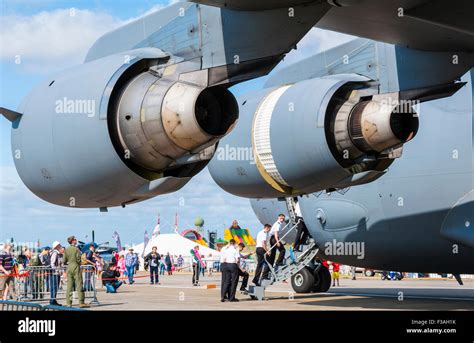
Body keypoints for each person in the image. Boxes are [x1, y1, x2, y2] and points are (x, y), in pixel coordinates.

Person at [63, 236, 89, 308]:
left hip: (69, 267)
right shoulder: (76, 249)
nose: (76, 240)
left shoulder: (66, 250)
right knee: (79, 284)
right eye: (75, 239)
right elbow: (78, 260)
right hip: (76, 267)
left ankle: (69, 303)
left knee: (69, 286)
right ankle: (81, 302)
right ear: (72, 241)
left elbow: (64, 261)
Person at [49, 241, 62, 306]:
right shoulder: (55, 253)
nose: (60, 246)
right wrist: (57, 270)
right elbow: (52, 263)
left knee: (54, 287)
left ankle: (53, 300)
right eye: (59, 245)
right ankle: (52, 301)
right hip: (55, 273)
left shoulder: (55, 252)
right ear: (57, 246)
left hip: (54, 273)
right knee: (54, 287)